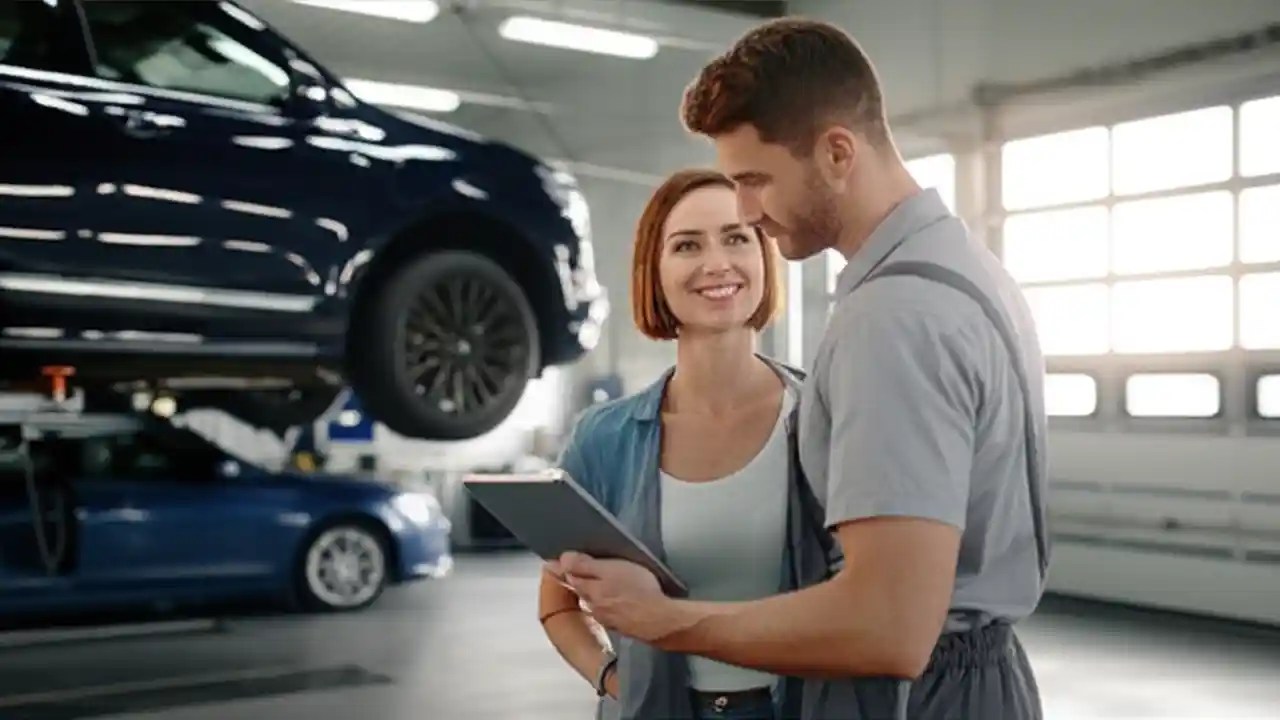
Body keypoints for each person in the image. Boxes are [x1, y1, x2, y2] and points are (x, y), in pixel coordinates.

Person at [552, 17, 1050, 720]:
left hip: (931, 695)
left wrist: (667, 621)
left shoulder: (892, 316)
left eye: (756, 181)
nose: (750, 212)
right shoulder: (963, 269)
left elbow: (886, 625)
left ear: (838, 152)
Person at [538, 168, 833, 720]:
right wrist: (616, 681)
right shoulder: (603, 438)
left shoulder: (826, 418)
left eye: (737, 237)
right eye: (687, 245)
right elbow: (558, 605)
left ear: (765, 257)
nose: (716, 262)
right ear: (655, 272)